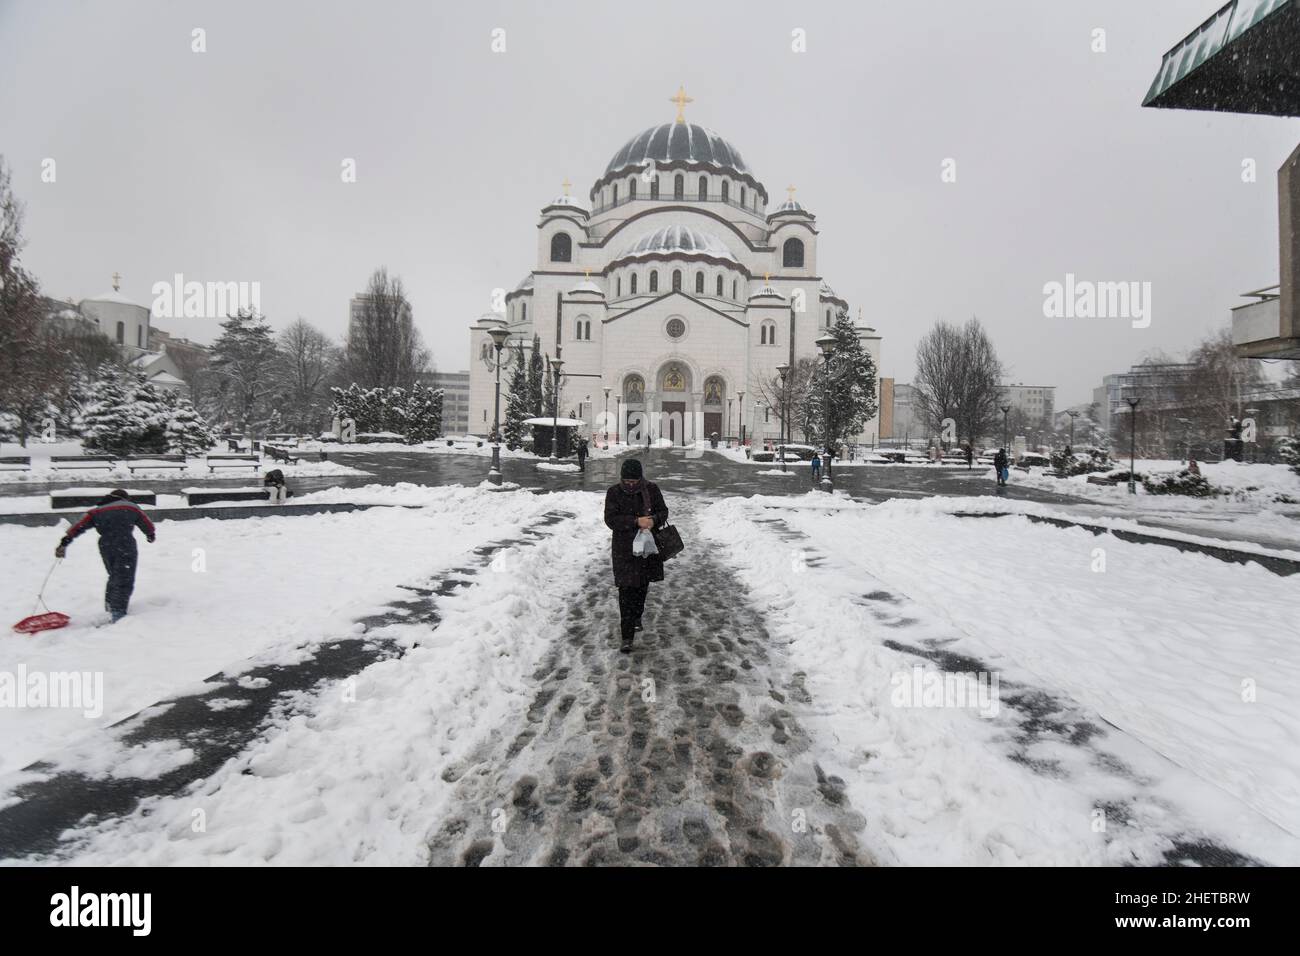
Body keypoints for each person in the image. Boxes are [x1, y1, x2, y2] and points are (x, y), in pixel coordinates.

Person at [54, 489, 156, 623]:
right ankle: (118, 613)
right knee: (124, 577)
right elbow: (146, 524)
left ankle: (110, 604)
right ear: (124, 498)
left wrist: (65, 541)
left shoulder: (97, 510)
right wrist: (150, 534)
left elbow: (79, 526)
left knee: (114, 575)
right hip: (125, 543)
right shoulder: (130, 507)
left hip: (105, 545)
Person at [604, 458, 668, 654]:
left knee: (641, 587)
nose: (631, 485)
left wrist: (653, 520)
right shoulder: (614, 492)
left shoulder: (651, 490)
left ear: (640, 478)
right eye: (627, 481)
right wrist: (635, 521)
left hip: (646, 550)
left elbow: (663, 512)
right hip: (623, 550)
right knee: (625, 591)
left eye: (634, 481)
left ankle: (637, 615)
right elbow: (610, 519)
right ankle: (627, 636)